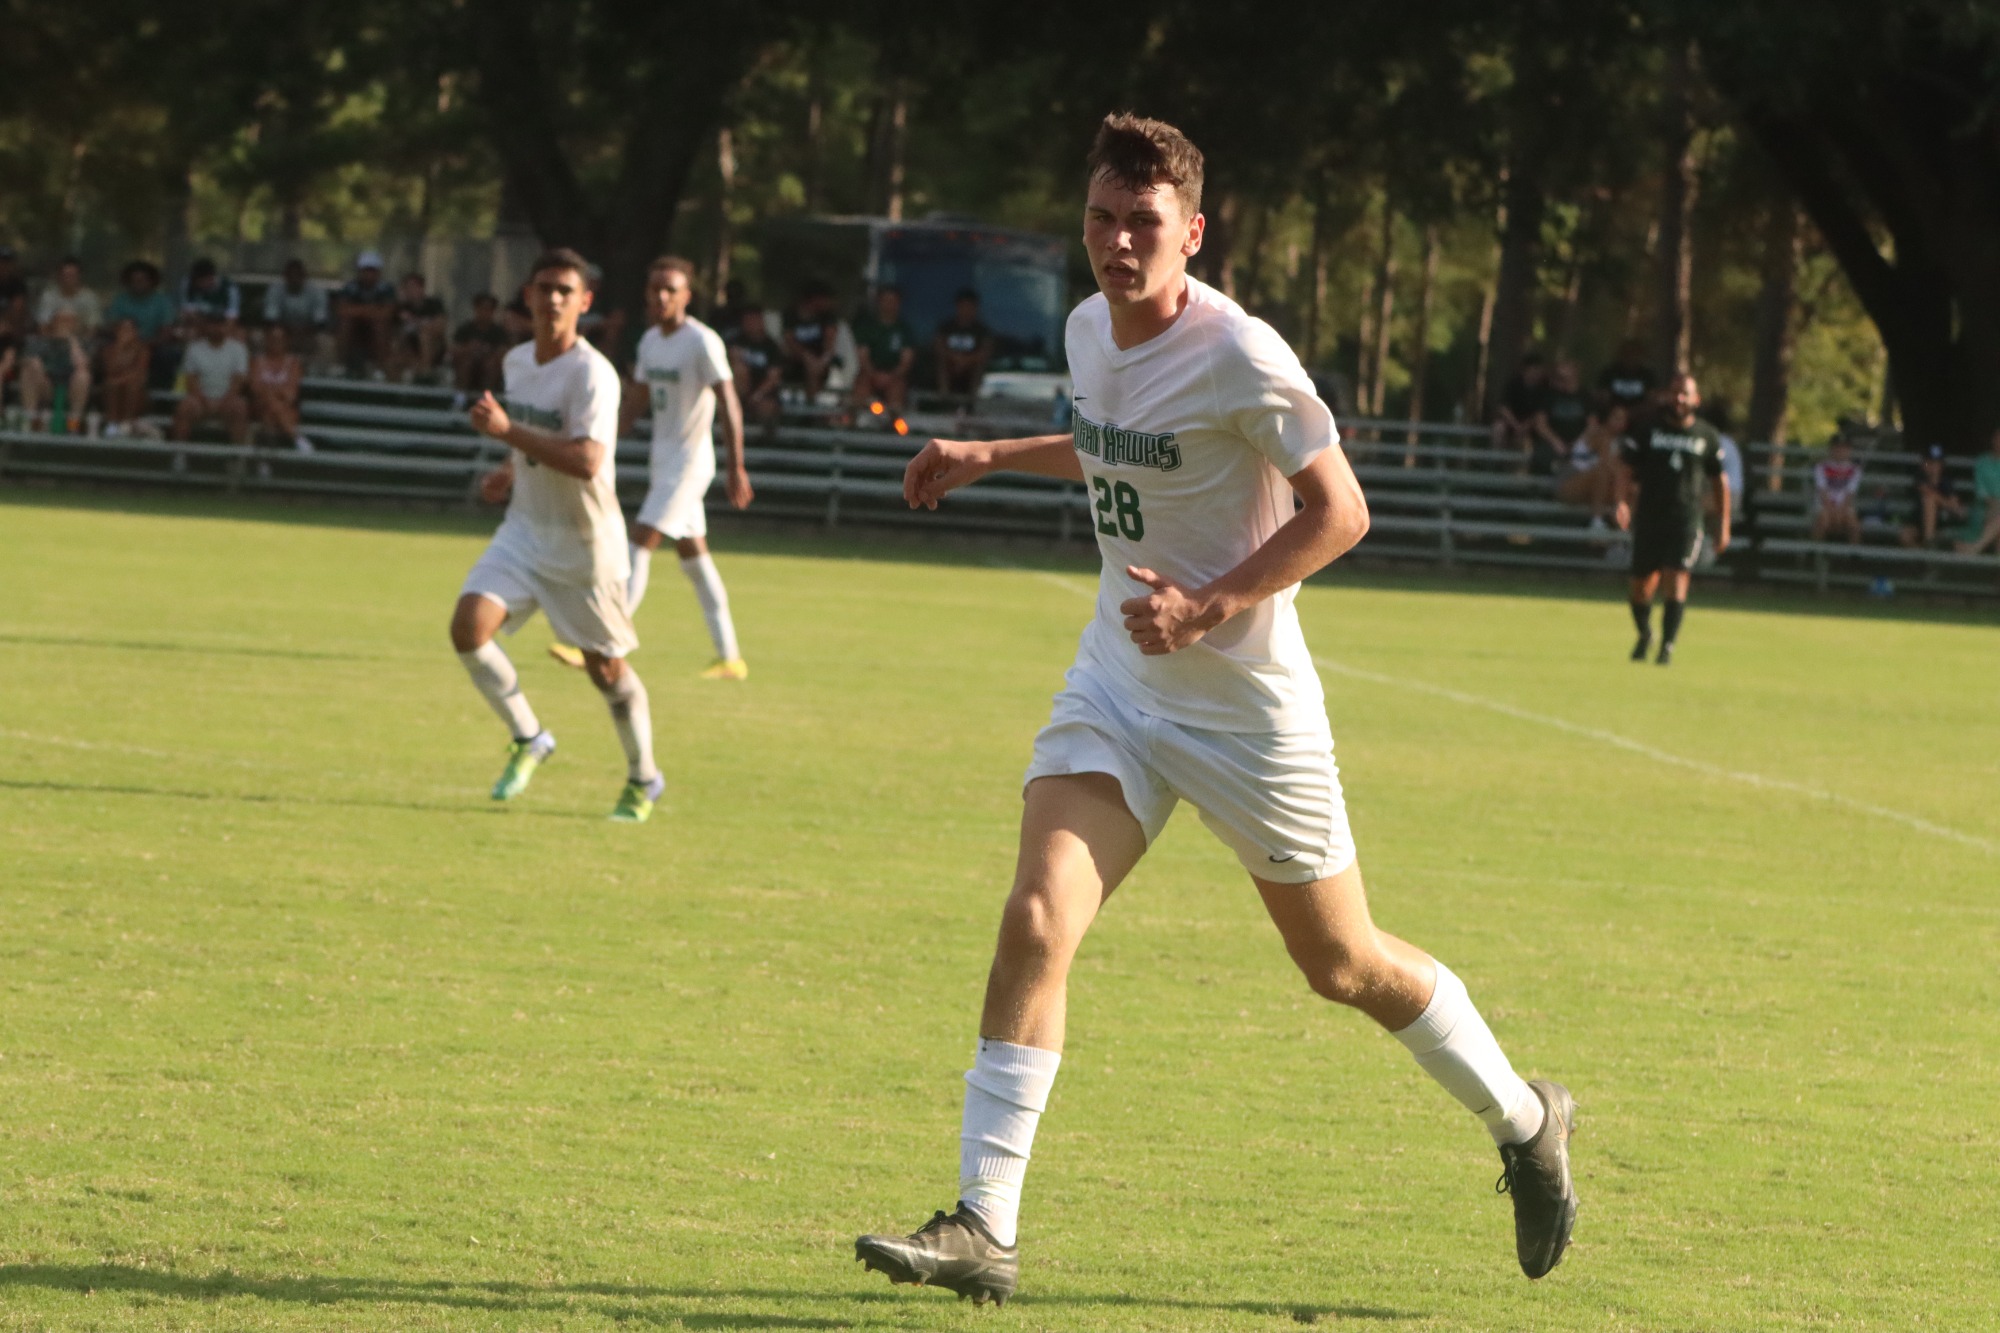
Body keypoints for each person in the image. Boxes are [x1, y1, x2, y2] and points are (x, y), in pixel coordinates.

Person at [854, 113, 1578, 1306]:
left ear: (1191, 232)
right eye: (1099, 218)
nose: (1115, 242)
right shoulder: (1086, 328)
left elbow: (1341, 511)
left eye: (1141, 223)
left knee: (1341, 964)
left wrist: (1206, 606)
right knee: (1036, 916)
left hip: (1244, 711)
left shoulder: (1242, 352)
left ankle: (1523, 1119)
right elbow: (1115, 445)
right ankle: (984, 1224)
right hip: (1117, 683)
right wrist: (991, 453)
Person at [448, 247, 664, 822]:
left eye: (565, 291)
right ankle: (530, 736)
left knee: (606, 671)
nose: (553, 299)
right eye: (544, 288)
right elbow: (535, 438)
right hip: (525, 530)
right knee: (468, 629)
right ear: (528, 296)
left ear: (585, 302)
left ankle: (644, 777)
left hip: (584, 545)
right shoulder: (518, 361)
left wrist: (507, 434)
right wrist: (508, 469)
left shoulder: (593, 373)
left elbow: (588, 461)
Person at [555, 256, 755, 680]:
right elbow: (634, 404)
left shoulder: (702, 342)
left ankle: (602, 641)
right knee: (695, 561)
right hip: (662, 464)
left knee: (638, 543)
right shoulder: (649, 342)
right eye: (655, 289)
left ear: (687, 296)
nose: (662, 297)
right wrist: (600, 448)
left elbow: (729, 401)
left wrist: (736, 465)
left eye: (671, 290)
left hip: (691, 464)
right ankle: (730, 658)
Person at [1615, 372, 1729, 665]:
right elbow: (1625, 469)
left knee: (1676, 578)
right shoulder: (1648, 430)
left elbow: (1719, 482)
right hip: (1650, 518)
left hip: (1686, 520)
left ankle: (1667, 646)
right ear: (1666, 395)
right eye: (1675, 392)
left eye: (1685, 394)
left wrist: (1723, 523)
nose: (1679, 399)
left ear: (1696, 399)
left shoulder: (1706, 436)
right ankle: (1645, 633)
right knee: (1640, 588)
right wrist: (1622, 502)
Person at [171, 312, 251, 445]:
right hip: (200, 401)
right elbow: (191, 379)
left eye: (220, 324)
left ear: (226, 326)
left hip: (228, 400)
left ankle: (238, 454)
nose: (217, 328)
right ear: (207, 326)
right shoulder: (194, 348)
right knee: (184, 408)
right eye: (213, 324)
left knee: (240, 408)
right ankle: (179, 452)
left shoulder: (238, 349)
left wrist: (225, 400)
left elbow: (239, 380)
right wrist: (204, 400)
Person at [1554, 398, 1624, 530]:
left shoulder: (1621, 441)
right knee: (1603, 472)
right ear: (1607, 418)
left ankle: (1624, 527)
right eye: (1616, 418)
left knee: (1632, 487)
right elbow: (1607, 463)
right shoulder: (1598, 434)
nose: (1620, 422)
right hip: (1570, 480)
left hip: (1593, 488)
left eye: (1623, 419)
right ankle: (1596, 520)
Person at [107, 261, 180, 388]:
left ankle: (160, 392)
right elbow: (112, 326)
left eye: (142, 280)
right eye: (133, 280)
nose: (137, 284)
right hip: (124, 344)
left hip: (153, 345)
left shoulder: (162, 301)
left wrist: (145, 345)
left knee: (167, 354)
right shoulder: (121, 299)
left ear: (152, 281)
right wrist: (127, 343)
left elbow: (166, 332)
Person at [849, 284, 918, 413]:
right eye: (886, 300)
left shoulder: (904, 330)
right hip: (869, 374)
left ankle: (893, 422)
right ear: (879, 302)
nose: (889, 305)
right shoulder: (866, 327)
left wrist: (890, 377)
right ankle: (854, 420)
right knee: (861, 387)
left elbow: (906, 361)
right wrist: (874, 375)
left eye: (893, 301)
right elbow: (862, 356)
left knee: (897, 389)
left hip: (894, 377)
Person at [19, 310, 91, 431]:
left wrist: (71, 341)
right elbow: (24, 360)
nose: (64, 324)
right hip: (46, 385)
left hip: (70, 388)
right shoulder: (39, 340)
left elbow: (82, 364)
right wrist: (35, 365)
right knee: (28, 371)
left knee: (83, 376)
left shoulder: (83, 342)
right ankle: (30, 420)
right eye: (61, 320)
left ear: (75, 324)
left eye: (69, 321)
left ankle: (73, 424)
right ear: (53, 322)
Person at [334, 251, 397, 377]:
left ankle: (380, 368)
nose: (368, 274)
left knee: (379, 325)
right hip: (355, 328)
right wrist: (370, 310)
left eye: (372, 271)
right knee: (346, 323)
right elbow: (342, 310)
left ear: (378, 272)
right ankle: (340, 366)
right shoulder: (350, 287)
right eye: (365, 270)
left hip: (376, 328)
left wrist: (358, 310)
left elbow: (387, 313)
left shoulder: (386, 289)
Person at [248, 324, 309, 452]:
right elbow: (255, 389)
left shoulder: (293, 363)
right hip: (259, 408)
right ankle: (296, 438)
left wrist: (268, 391)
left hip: (286, 410)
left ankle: (266, 459)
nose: (276, 342)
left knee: (270, 414)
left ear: (286, 341)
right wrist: (277, 391)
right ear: (267, 339)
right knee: (270, 406)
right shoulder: (257, 361)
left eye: (280, 339)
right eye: (273, 338)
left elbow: (291, 395)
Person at [261, 259, 331, 365]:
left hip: (309, 334)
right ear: (285, 276)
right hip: (283, 334)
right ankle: (269, 367)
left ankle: (319, 370)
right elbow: (270, 320)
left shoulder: (316, 291)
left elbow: (320, 323)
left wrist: (302, 332)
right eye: (291, 275)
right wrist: (289, 332)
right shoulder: (275, 289)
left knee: (325, 341)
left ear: (304, 276)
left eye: (298, 275)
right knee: (259, 337)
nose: (294, 279)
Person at [726, 305, 784, 428]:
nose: (750, 324)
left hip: (763, 392)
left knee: (767, 409)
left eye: (754, 320)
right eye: (747, 320)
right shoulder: (735, 342)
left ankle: (762, 436)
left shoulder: (771, 346)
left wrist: (757, 395)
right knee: (739, 370)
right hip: (739, 392)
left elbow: (774, 377)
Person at [935, 287, 994, 405]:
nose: (966, 310)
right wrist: (954, 358)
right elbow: (938, 347)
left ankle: (973, 402)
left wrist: (967, 361)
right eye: (963, 306)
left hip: (971, 369)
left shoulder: (982, 331)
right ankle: (944, 400)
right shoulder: (946, 328)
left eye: (970, 307)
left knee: (979, 368)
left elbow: (985, 352)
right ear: (957, 307)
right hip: (951, 366)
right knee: (942, 365)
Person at [782, 281, 840, 401]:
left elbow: (830, 343)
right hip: (796, 359)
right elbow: (789, 340)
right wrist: (806, 357)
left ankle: (811, 402)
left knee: (813, 369)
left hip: (820, 362)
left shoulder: (828, 317)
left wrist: (822, 361)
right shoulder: (791, 314)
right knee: (809, 365)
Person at [1533, 359, 1590, 477]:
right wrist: (1555, 442)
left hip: (1580, 443)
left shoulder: (1585, 396)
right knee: (1541, 457)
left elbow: (1593, 425)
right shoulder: (1549, 395)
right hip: (1553, 443)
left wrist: (1578, 443)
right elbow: (1540, 424)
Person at [1901, 444, 1966, 548]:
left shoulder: (1946, 479)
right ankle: (1924, 552)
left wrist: (1953, 506)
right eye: (1930, 462)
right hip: (1919, 521)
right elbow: (1928, 492)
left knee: (1930, 501)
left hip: (1940, 523)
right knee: (1905, 536)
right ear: (1924, 463)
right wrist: (1948, 504)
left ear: (1942, 465)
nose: (1934, 466)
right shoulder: (1920, 476)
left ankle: (1929, 541)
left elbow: (1956, 503)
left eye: (1937, 463)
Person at [97, 317, 152, 434]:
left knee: (131, 385)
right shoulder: (108, 350)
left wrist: (120, 380)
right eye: (122, 329)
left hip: (134, 387)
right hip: (113, 386)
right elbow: (109, 370)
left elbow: (139, 372)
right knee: (111, 386)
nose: (125, 332)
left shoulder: (142, 350)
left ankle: (127, 422)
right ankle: (112, 423)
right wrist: (119, 348)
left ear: (135, 332)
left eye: (129, 329)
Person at [451, 293, 511, 399]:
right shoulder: (465, 329)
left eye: (488, 309)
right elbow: (454, 350)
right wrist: (469, 348)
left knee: (491, 365)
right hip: (469, 364)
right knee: (465, 363)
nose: (485, 312)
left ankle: (487, 398)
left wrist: (489, 351)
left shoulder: (498, 332)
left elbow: (504, 352)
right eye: (482, 308)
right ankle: (460, 399)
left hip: (490, 367)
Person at [391, 272, 448, 381]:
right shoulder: (401, 308)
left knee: (424, 336)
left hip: (433, 349)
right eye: (406, 287)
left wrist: (415, 321)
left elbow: (440, 327)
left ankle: (425, 373)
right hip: (409, 350)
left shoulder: (434, 305)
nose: (409, 291)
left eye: (413, 287)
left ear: (421, 288)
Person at [1494, 350, 1549, 460]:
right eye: (1534, 369)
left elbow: (1542, 411)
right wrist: (1516, 425)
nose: (1536, 373)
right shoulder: (1513, 383)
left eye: (1539, 369)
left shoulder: (1545, 386)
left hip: (1533, 424)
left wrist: (1526, 426)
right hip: (1513, 421)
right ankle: (1497, 460)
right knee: (1498, 428)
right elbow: (1503, 407)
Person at [1955, 428, 2000, 556]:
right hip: (1986, 508)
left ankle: (1974, 548)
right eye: (1998, 439)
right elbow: (1982, 493)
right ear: (1993, 440)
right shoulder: (1982, 462)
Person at [1810, 438, 1864, 544]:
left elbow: (1850, 493)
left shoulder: (1855, 470)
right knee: (1823, 521)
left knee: (1854, 525)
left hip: (1845, 505)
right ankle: (1815, 550)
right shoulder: (1821, 467)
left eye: (1844, 448)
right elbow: (1822, 491)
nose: (1840, 451)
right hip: (1824, 505)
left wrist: (1841, 510)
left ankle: (1854, 551)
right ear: (1831, 449)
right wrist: (1832, 511)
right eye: (1837, 448)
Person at [34, 257, 102, 337]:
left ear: (79, 276)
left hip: (81, 340)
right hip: (52, 339)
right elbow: (43, 327)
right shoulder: (48, 296)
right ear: (59, 276)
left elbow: (92, 328)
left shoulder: (89, 298)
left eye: (72, 276)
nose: (68, 279)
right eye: (65, 275)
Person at [179, 257, 242, 330]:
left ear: (211, 277)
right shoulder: (188, 284)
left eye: (202, 281)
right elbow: (188, 314)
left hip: (221, 327)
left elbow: (231, 320)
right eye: (197, 282)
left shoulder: (230, 289)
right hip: (197, 326)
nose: (199, 285)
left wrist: (214, 329)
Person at [1596, 339, 1655, 414]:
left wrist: (1631, 413)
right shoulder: (1609, 373)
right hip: (1613, 416)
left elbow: (1651, 401)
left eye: (1634, 353)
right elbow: (1603, 399)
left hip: (1640, 416)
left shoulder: (1647, 375)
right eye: (1627, 353)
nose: (1631, 357)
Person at [0, 246, 27, 330]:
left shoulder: (17, 284)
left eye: (7, 263)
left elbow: (18, 308)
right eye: (1, 262)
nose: (3, 266)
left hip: (9, 328)